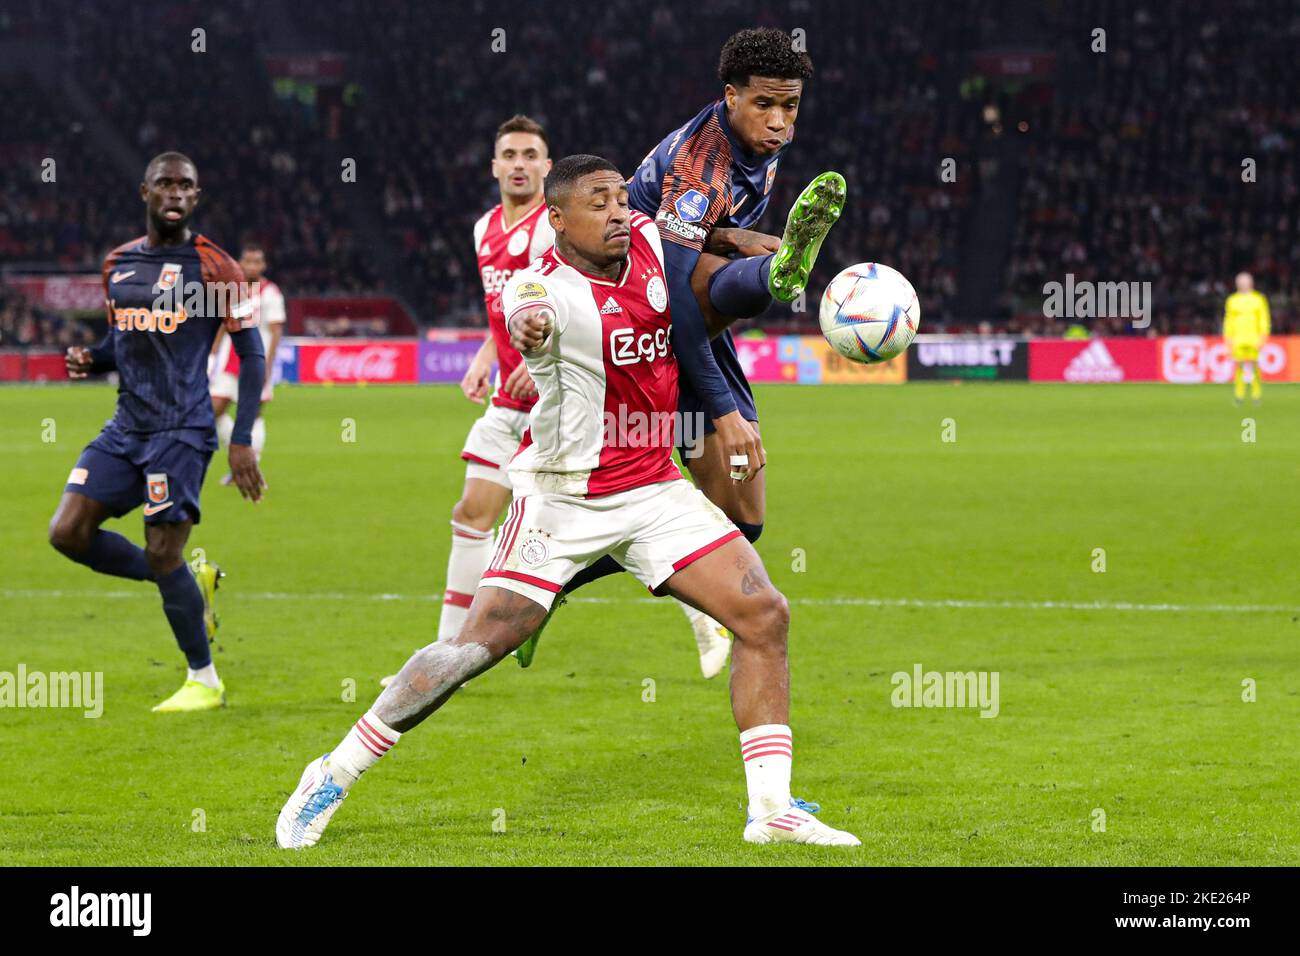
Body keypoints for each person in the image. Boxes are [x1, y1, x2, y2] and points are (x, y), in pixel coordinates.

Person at [277, 156, 858, 848]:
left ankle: (771, 811)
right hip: (563, 499)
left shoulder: (644, 237)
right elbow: (529, 316)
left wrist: (755, 247)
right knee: (467, 654)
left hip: (652, 486)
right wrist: (527, 334)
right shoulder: (541, 286)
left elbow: (695, 240)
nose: (618, 212)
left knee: (763, 613)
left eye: (620, 198)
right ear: (557, 218)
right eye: (598, 202)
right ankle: (333, 772)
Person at [379, 115, 730, 681]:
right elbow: (507, 307)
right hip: (509, 399)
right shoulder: (482, 230)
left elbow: (562, 305)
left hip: (563, 402)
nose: (519, 164)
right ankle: (450, 647)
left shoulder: (562, 230)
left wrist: (529, 359)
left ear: (547, 171)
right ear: (494, 166)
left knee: (612, 510)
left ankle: (689, 609)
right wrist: (489, 356)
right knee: (471, 516)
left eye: (530, 155)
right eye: (509, 154)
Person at [50, 152, 266, 713]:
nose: (175, 194)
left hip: (183, 430)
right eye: (165, 184)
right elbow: (123, 342)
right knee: (68, 533)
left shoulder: (216, 267)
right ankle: (190, 585)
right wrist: (92, 360)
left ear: (197, 197)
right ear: (145, 192)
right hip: (125, 427)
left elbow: (251, 352)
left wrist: (241, 438)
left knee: (161, 550)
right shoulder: (118, 263)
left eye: (186, 186)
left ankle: (205, 680)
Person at [210, 242, 285, 479]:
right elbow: (224, 320)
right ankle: (241, 456)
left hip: (254, 359)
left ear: (264, 265)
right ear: (240, 263)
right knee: (213, 411)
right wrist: (214, 348)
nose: (252, 266)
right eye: (248, 261)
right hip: (228, 358)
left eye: (257, 261)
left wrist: (268, 366)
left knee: (253, 414)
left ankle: (249, 467)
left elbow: (275, 332)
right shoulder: (233, 288)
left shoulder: (271, 293)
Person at [1223, 271, 1270, 404]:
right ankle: (1239, 395)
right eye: (1240, 282)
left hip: (1254, 339)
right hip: (1238, 339)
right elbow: (1228, 321)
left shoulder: (1259, 299)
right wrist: (1228, 341)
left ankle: (1256, 395)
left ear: (1251, 283)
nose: (1242, 284)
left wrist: (1263, 337)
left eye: (1245, 281)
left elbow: (1264, 319)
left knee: (1255, 367)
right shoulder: (1232, 300)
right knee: (1239, 368)